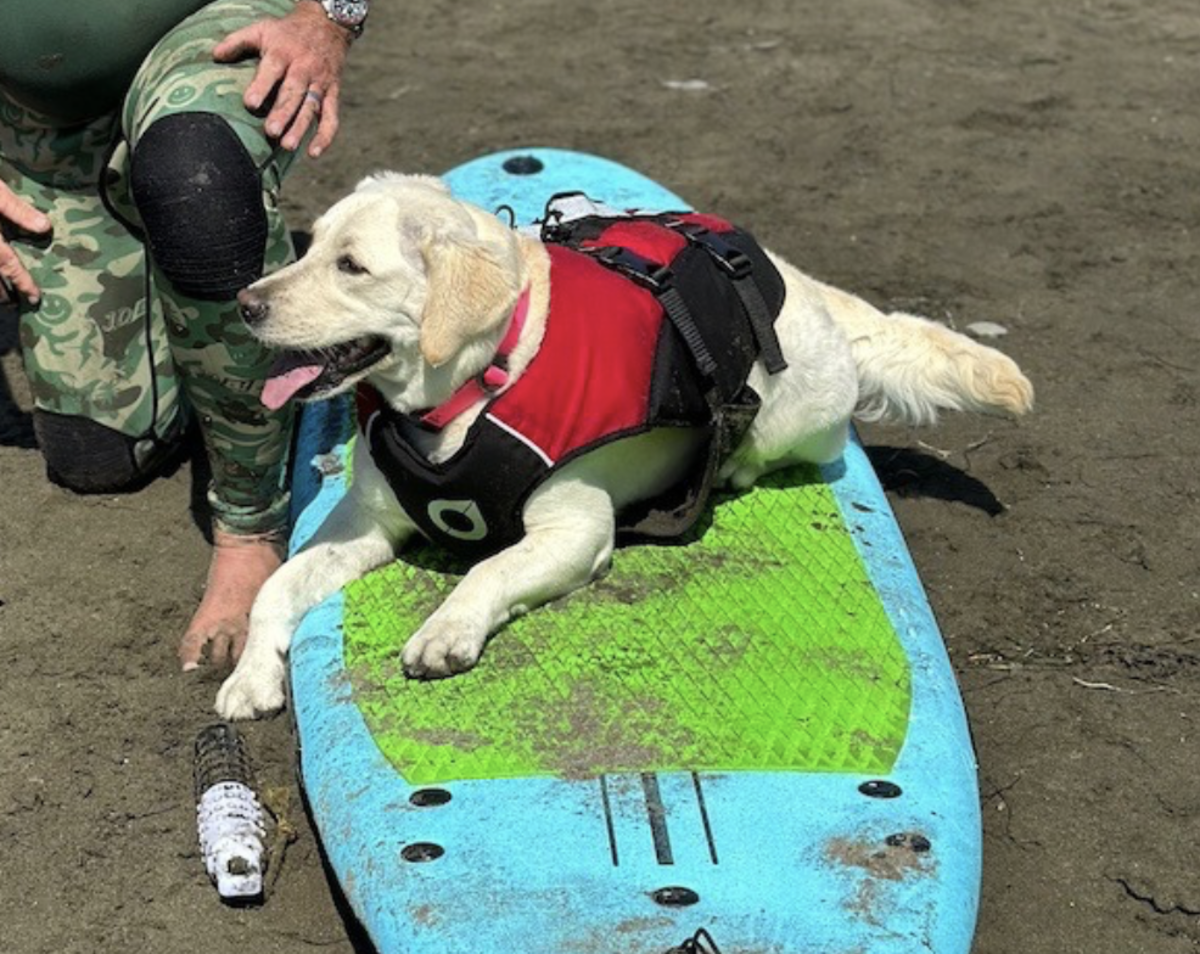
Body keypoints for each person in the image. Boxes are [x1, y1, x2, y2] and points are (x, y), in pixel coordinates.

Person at [0, 0, 367, 671]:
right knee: (96, 456)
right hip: (33, 118)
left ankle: (249, 529)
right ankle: (156, 238)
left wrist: (332, 16)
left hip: (212, 34)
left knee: (194, 180)